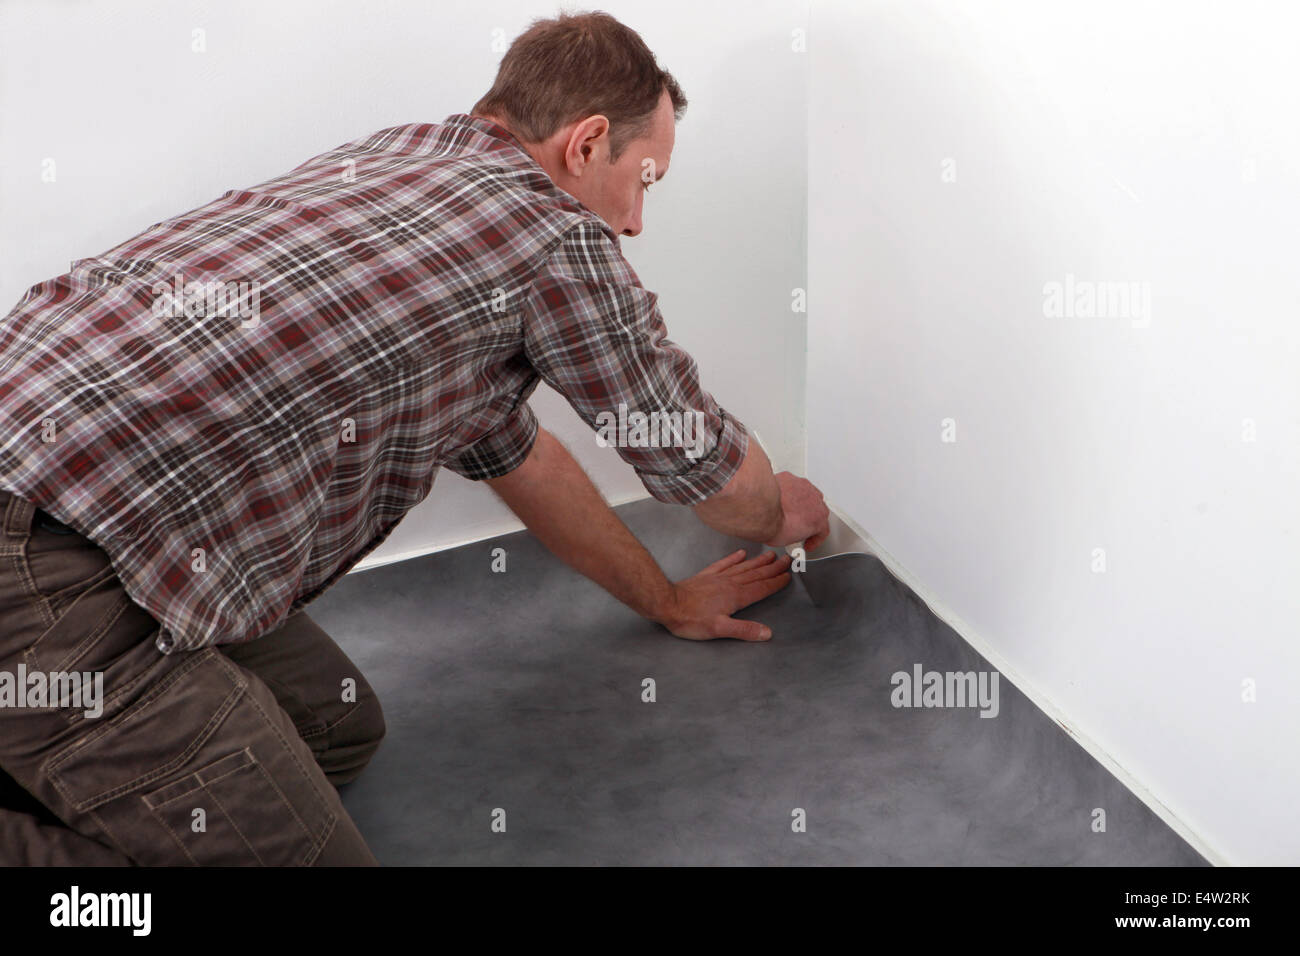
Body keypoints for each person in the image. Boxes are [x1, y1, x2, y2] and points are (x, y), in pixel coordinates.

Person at [0, 10, 828, 865]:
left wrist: (664, 598)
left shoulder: (412, 154)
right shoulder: (555, 240)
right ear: (585, 146)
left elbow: (517, 453)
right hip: (56, 570)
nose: (638, 222)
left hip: (122, 518)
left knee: (336, 724)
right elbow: (700, 466)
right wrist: (777, 512)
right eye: (645, 178)